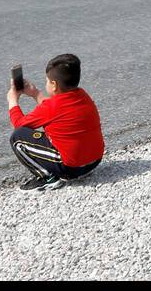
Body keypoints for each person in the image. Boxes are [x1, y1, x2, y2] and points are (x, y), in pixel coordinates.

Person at [7, 54, 105, 191]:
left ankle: (47, 178)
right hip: (95, 161)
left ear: (53, 85)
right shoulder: (83, 95)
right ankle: (80, 168)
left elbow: (19, 124)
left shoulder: (52, 107)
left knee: (17, 137)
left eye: (47, 81)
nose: (46, 83)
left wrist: (12, 100)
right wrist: (35, 93)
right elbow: (54, 110)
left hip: (72, 169)